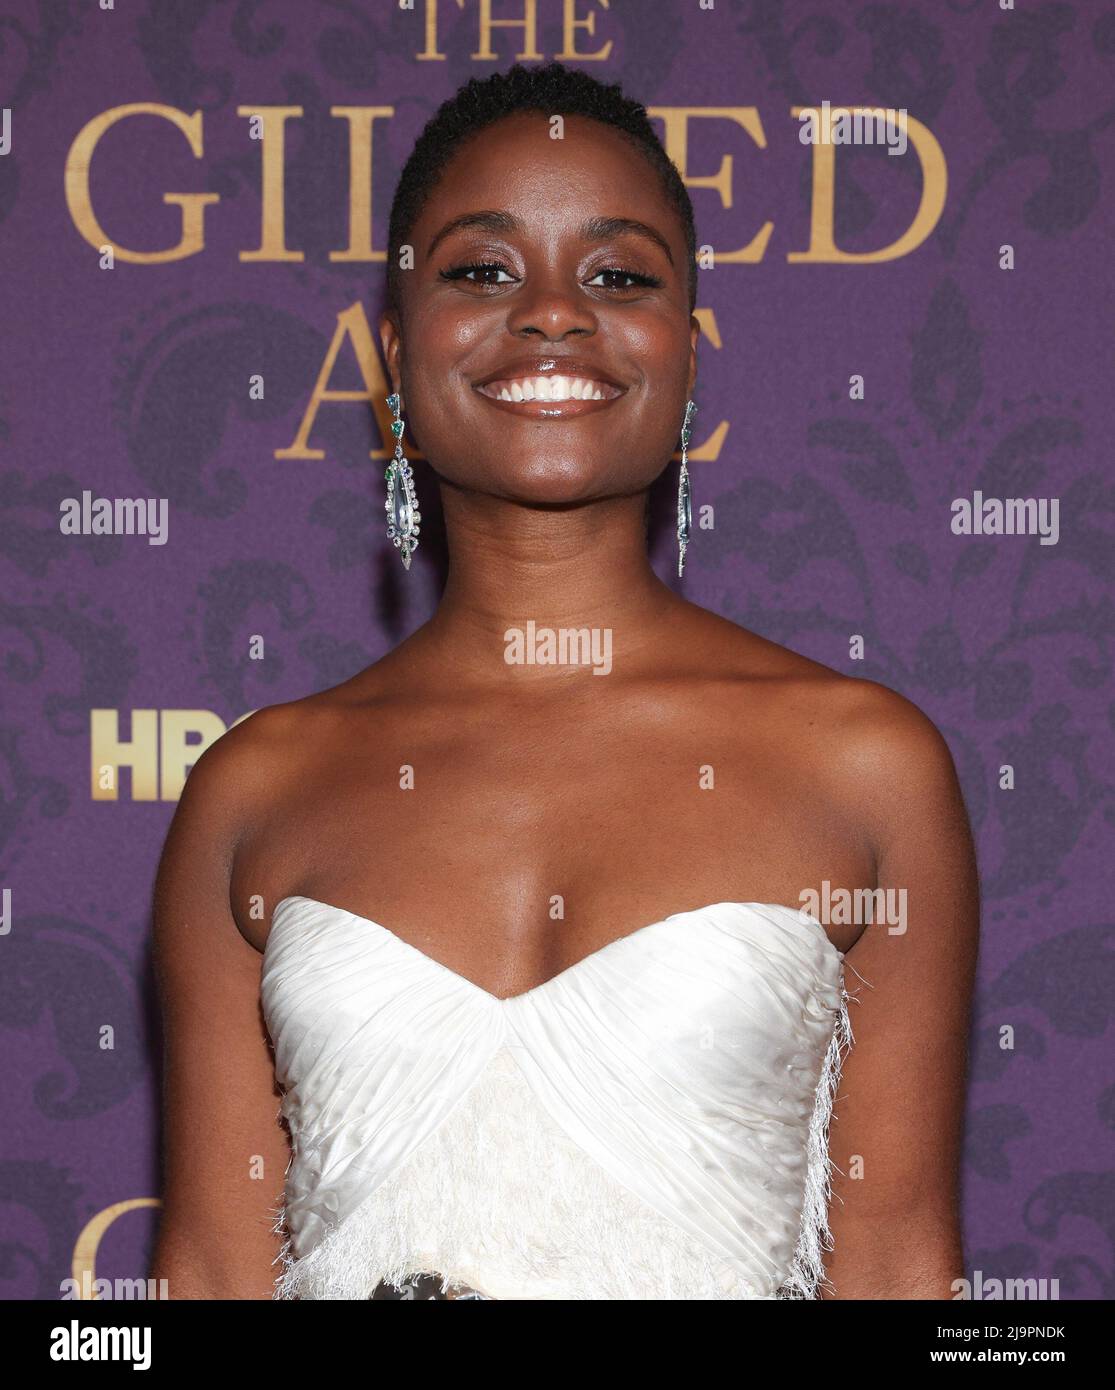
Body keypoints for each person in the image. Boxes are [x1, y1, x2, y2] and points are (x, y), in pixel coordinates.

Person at [150, 62, 979, 1301]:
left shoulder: (864, 763)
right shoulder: (253, 787)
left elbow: (902, 1269)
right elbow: (210, 1275)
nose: (549, 312)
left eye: (619, 275)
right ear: (392, 352)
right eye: (482, 270)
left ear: (685, 352)